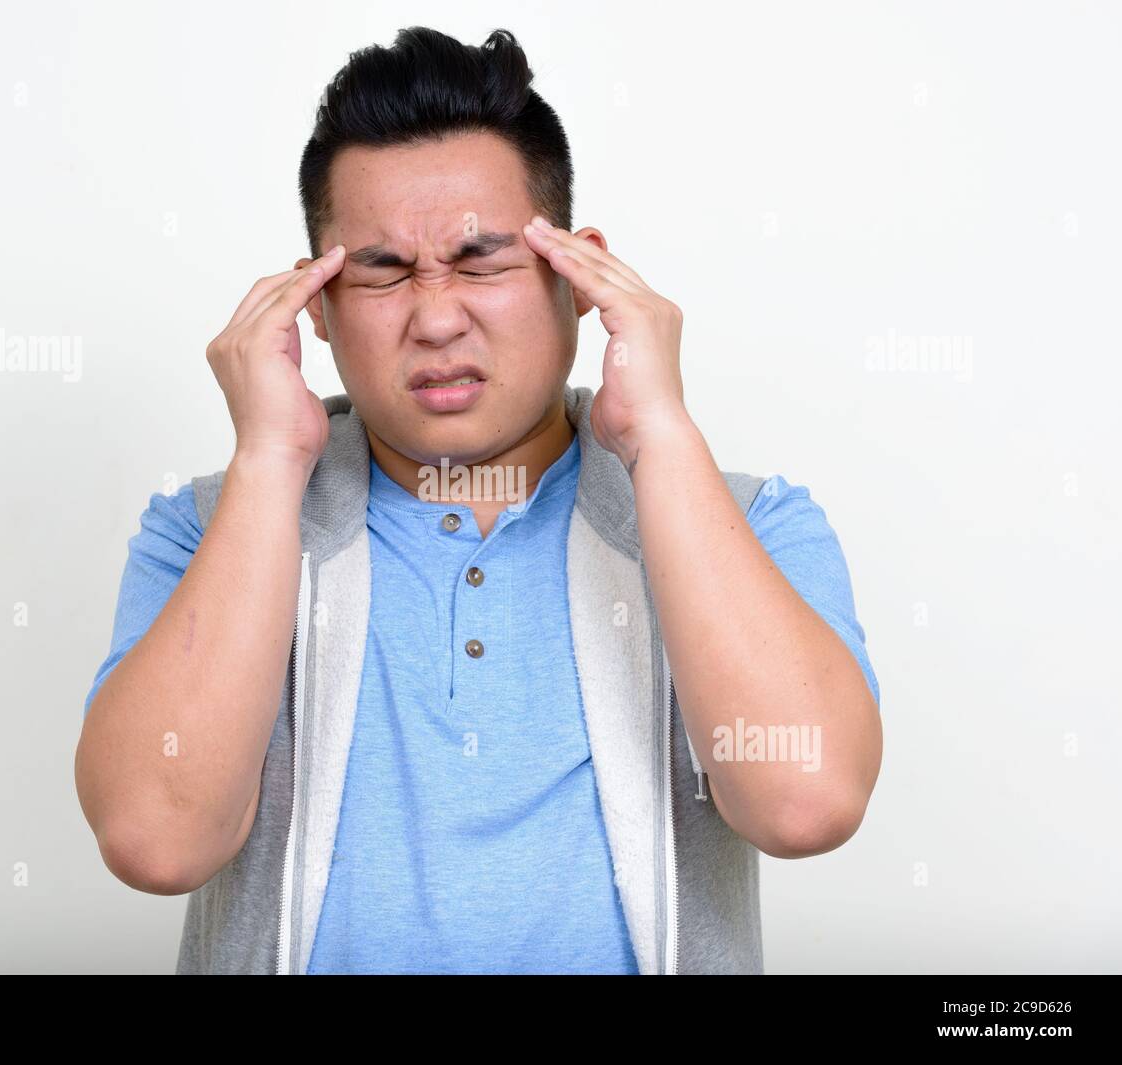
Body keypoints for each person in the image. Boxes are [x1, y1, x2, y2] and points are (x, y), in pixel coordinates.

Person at [74, 26, 882, 975]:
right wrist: (265, 461)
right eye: (379, 270)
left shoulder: (747, 521)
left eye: (481, 260)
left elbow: (806, 803)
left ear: (581, 275)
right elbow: (157, 842)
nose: (437, 316)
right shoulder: (206, 529)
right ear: (317, 308)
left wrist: (660, 437)